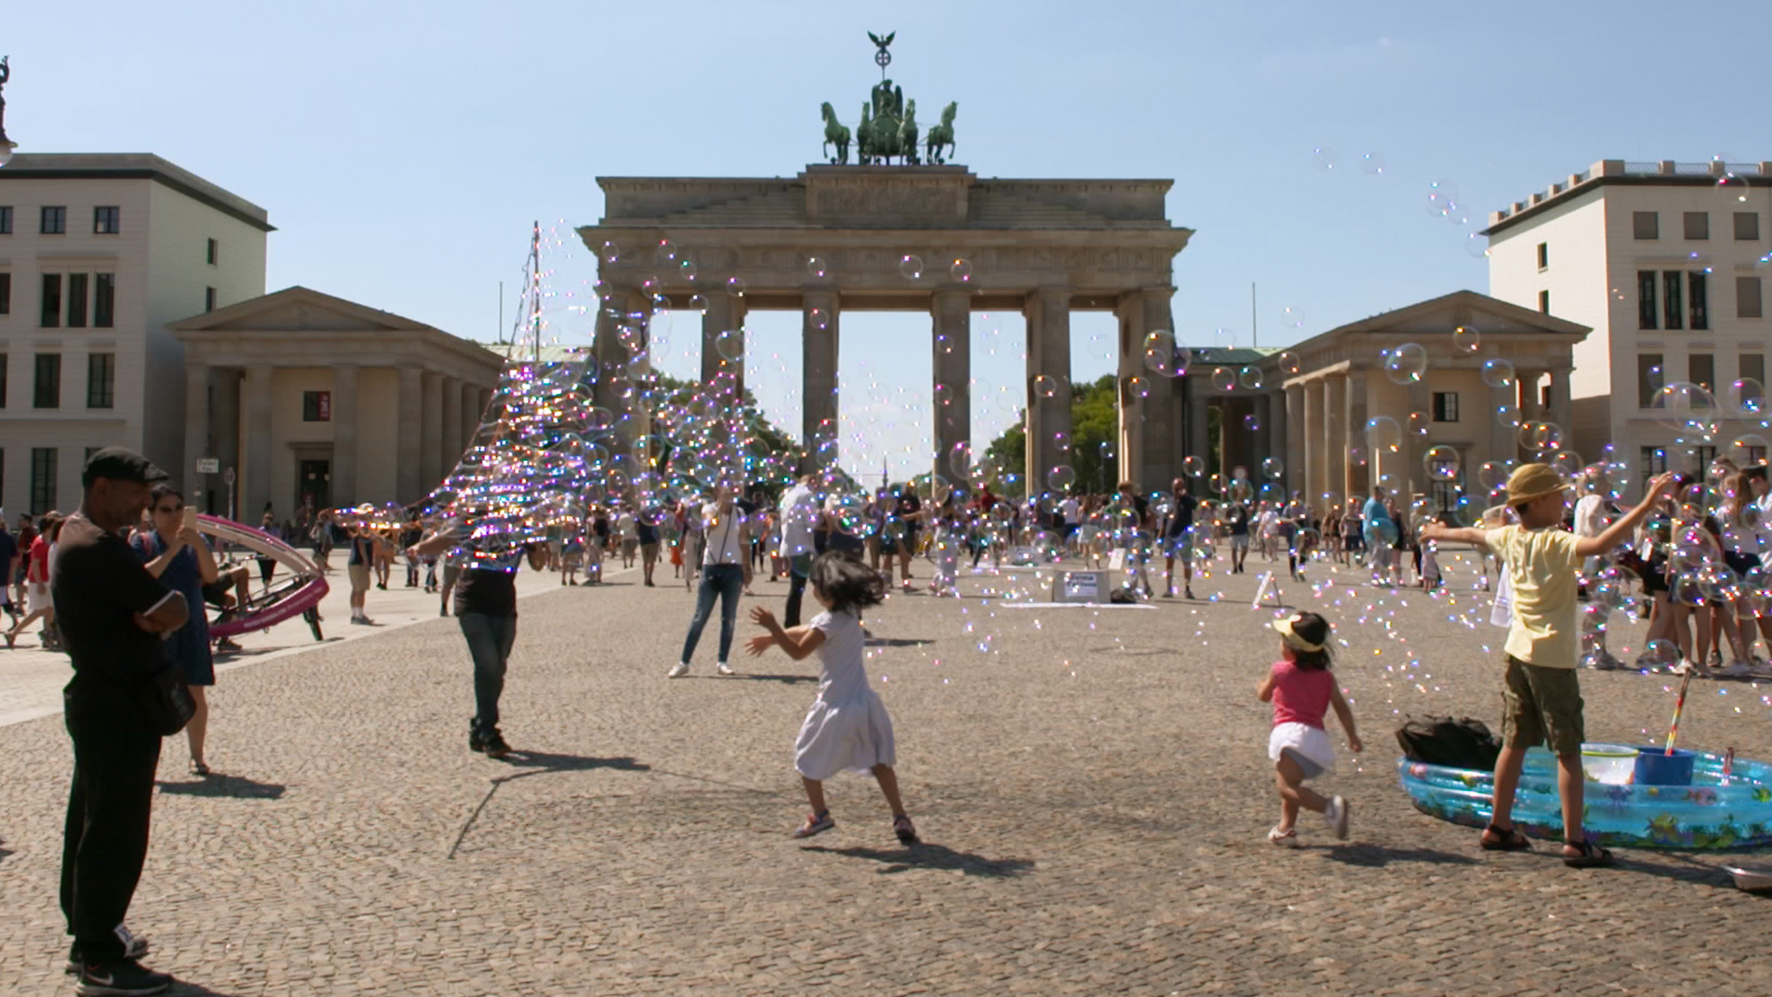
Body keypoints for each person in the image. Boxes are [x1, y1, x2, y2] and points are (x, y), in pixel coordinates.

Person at [1422, 464, 1676, 868]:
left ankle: (1499, 826)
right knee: (1568, 749)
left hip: (1517, 653)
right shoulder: (1556, 542)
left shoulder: (1509, 537)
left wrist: (1437, 532)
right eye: (1558, 495)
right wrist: (1645, 505)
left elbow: (1471, 534)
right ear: (1538, 502)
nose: (1564, 501)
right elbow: (1601, 543)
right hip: (1552, 661)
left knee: (1514, 740)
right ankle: (1575, 841)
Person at [56, 448, 190, 995]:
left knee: (89, 820)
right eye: (139, 494)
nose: (146, 505)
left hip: (99, 696)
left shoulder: (75, 532)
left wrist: (151, 616)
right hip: (118, 702)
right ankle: (98, 955)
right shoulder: (100, 549)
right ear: (104, 487)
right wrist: (157, 620)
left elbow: (157, 608)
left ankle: (88, 932)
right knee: (115, 828)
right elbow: (175, 606)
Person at [744, 552, 917, 843]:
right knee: (880, 763)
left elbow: (799, 652)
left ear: (827, 591)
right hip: (863, 702)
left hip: (834, 705)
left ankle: (821, 814)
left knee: (806, 757)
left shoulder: (831, 622)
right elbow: (809, 630)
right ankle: (901, 817)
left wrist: (773, 628)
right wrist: (776, 639)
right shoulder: (847, 614)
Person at [409, 513, 547, 758]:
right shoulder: (471, 523)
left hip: (504, 607)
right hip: (472, 603)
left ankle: (479, 725)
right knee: (487, 665)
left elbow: (538, 564)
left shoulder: (520, 528)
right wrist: (418, 548)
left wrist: (535, 543)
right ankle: (488, 730)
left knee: (498, 668)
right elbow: (441, 541)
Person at [131, 485, 222, 776]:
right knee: (153, 693)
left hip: (192, 626)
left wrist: (197, 545)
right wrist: (171, 553)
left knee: (196, 692)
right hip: (157, 630)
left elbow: (210, 576)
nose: (173, 515)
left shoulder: (197, 541)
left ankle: (197, 755)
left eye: (177, 508)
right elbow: (141, 579)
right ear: (152, 514)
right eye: (165, 510)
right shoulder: (143, 543)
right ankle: (146, 758)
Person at [1256, 611, 1361, 845]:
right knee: (1294, 785)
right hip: (1315, 741)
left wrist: (1260, 685)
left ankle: (1329, 807)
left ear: (1290, 648)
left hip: (1290, 737)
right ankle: (1286, 830)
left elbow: (1263, 696)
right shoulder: (1326, 677)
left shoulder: (1280, 670)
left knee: (1285, 788)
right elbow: (1342, 708)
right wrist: (1352, 736)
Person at [668, 486, 751, 677]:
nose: (729, 494)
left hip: (734, 568)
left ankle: (723, 661)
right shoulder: (708, 509)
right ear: (717, 492)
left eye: (731, 491)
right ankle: (684, 661)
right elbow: (711, 525)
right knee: (700, 617)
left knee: (728, 619)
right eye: (725, 490)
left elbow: (743, 538)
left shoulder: (740, 512)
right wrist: (721, 508)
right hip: (712, 567)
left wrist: (747, 566)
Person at [6, 512, 63, 649]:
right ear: (49, 526)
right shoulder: (39, 542)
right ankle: (14, 632)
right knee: (39, 610)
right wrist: (39, 583)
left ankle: (47, 635)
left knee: (50, 608)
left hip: (48, 579)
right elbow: (35, 564)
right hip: (39, 580)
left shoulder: (51, 540)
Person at [778, 473, 821, 626]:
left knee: (796, 586)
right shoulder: (807, 495)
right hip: (803, 545)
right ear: (811, 481)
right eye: (817, 484)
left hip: (789, 544)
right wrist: (820, 516)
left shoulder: (788, 495)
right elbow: (811, 523)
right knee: (821, 583)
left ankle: (791, 622)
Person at [1161, 479, 1198, 599]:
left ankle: (1187, 589)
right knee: (1169, 562)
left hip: (1184, 534)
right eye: (1176, 488)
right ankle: (1168, 588)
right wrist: (1160, 536)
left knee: (1186, 562)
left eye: (1180, 487)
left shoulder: (1188, 500)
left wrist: (1185, 496)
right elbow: (1165, 519)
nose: (1178, 490)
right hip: (1170, 534)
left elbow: (1196, 506)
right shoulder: (1170, 501)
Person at [345, 519, 382, 625]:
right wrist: (367, 563)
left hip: (353, 564)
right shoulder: (360, 538)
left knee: (356, 590)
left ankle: (355, 614)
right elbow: (363, 551)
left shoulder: (363, 538)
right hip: (359, 564)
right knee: (361, 590)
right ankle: (359, 615)